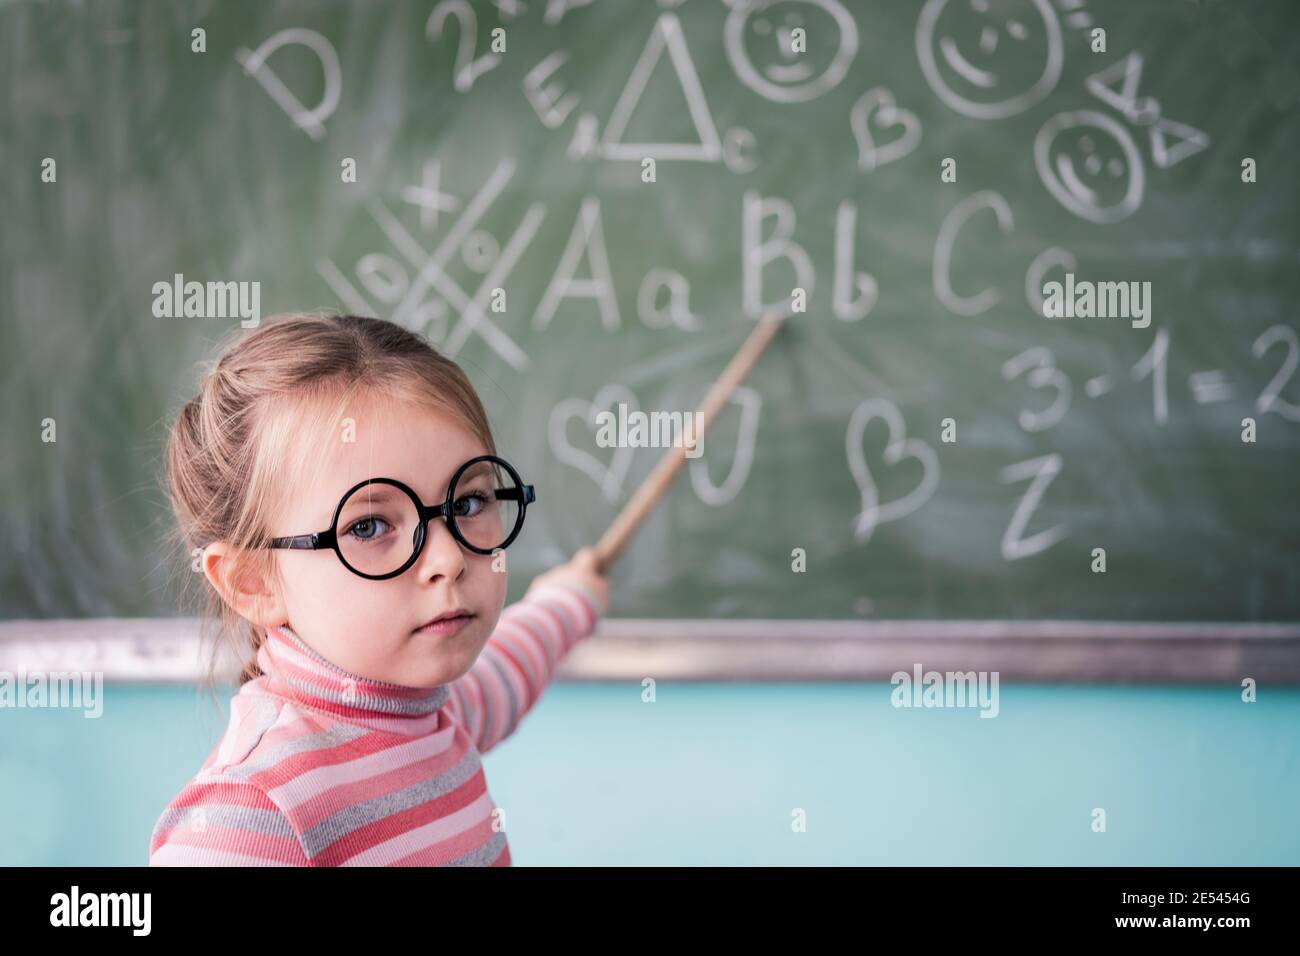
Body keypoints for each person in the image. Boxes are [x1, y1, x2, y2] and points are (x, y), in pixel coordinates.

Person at [148, 313, 609, 866]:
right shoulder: (251, 816)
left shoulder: (434, 709)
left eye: (467, 504)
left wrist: (571, 598)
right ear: (253, 582)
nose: (448, 558)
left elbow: (513, 664)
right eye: (368, 527)